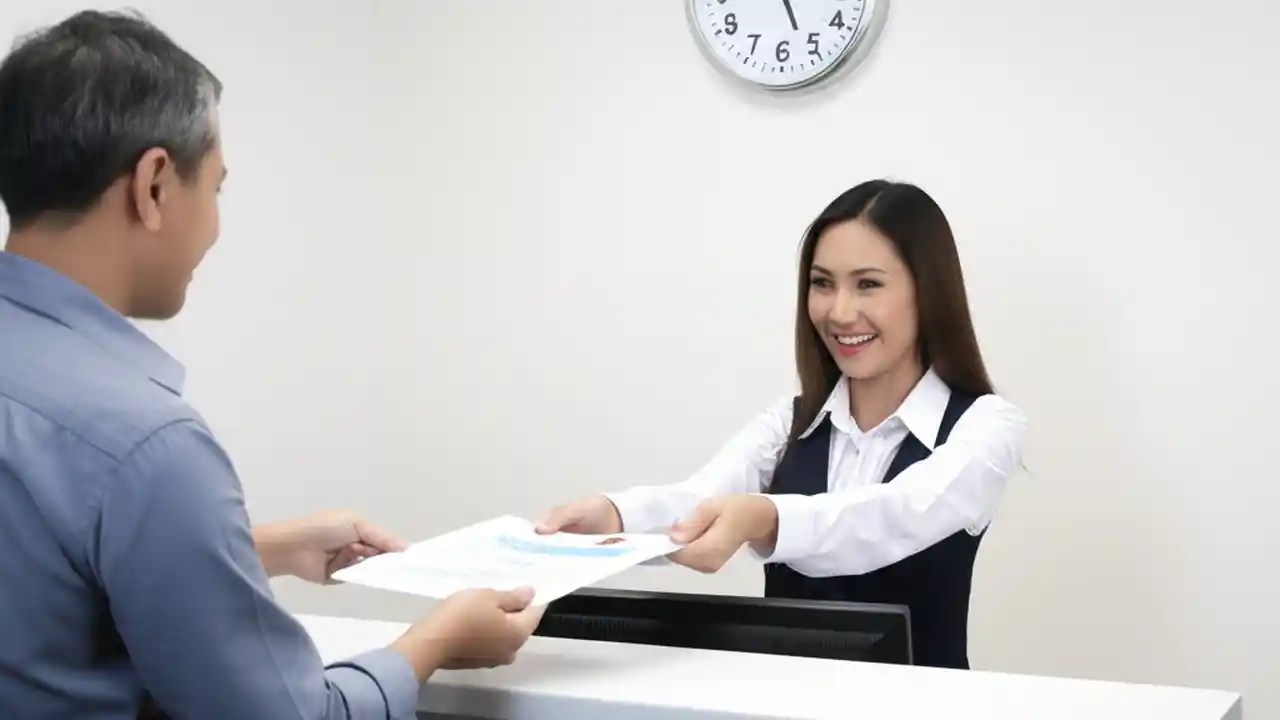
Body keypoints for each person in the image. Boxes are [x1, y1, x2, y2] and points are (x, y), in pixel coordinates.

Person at [0, 11, 540, 719]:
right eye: (215, 187)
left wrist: (269, 548)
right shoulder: (144, 444)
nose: (216, 225)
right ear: (155, 185)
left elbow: (45, 578)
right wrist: (437, 640)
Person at [538, 180, 1028, 669]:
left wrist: (767, 519)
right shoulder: (787, 423)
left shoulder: (986, 426)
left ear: (928, 292)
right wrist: (614, 518)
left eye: (868, 284)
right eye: (822, 283)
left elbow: (895, 516)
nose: (838, 312)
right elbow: (701, 500)